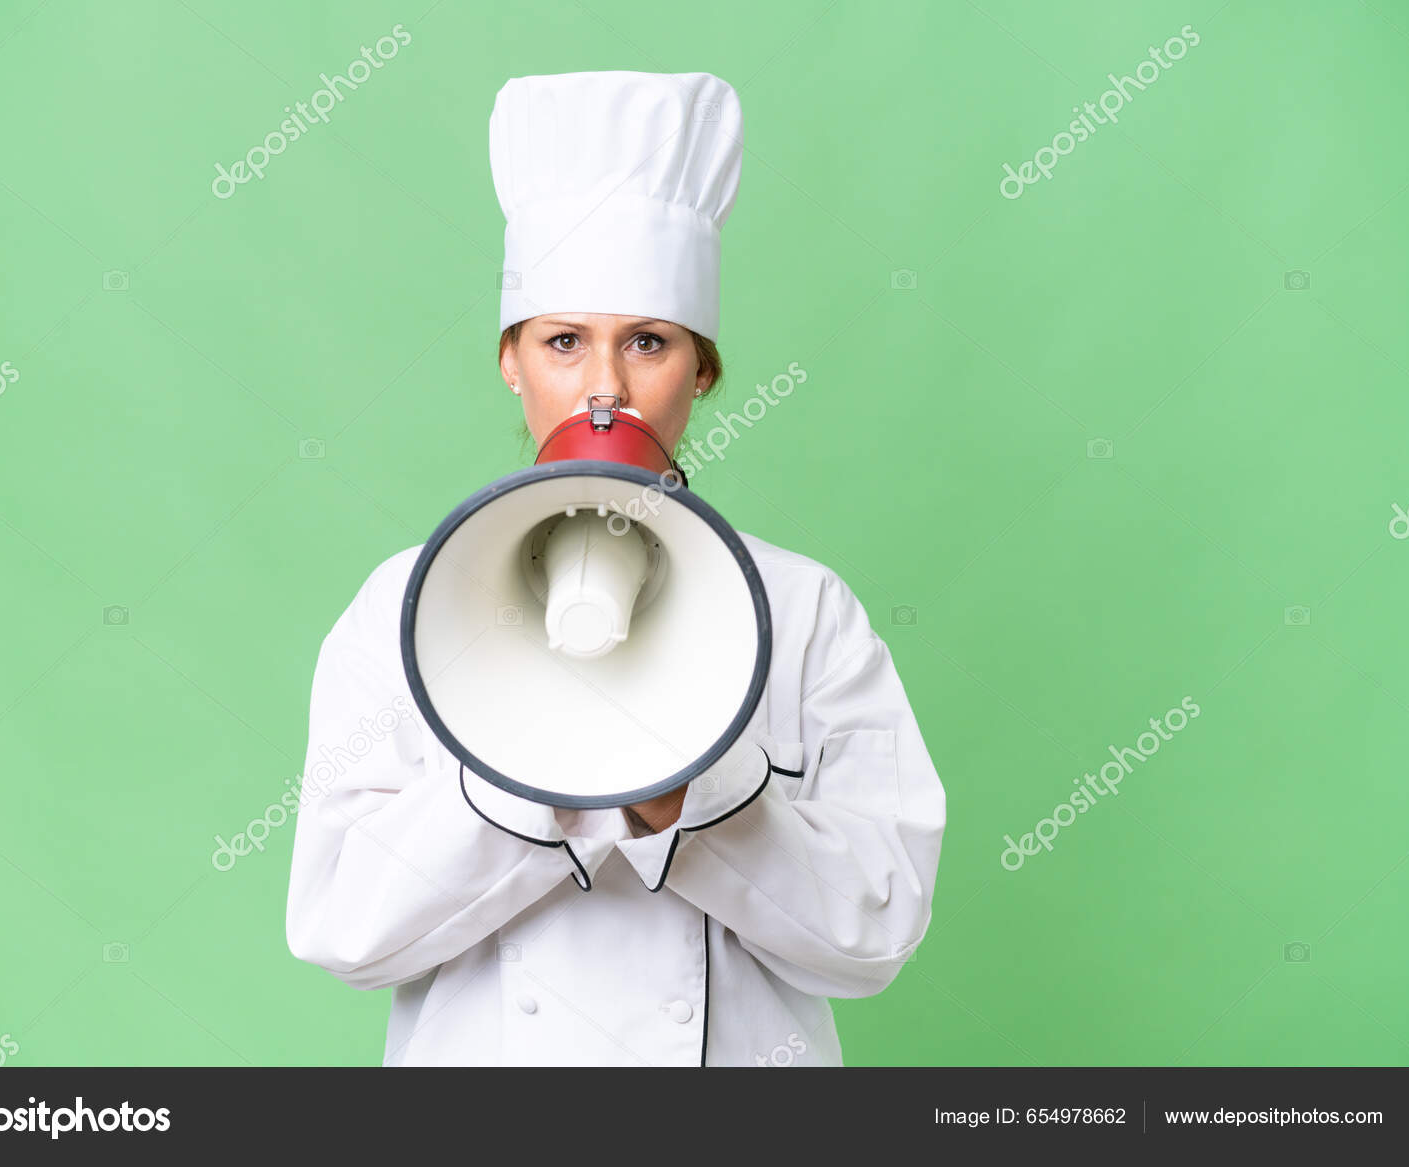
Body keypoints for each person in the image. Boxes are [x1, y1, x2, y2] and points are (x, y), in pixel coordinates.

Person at [285, 70, 946, 1066]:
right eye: (563, 341)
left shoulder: (806, 610)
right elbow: (342, 927)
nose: (605, 388)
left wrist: (694, 802)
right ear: (510, 360)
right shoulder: (402, 609)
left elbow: (878, 933)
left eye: (647, 341)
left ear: (703, 369)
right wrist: (531, 770)